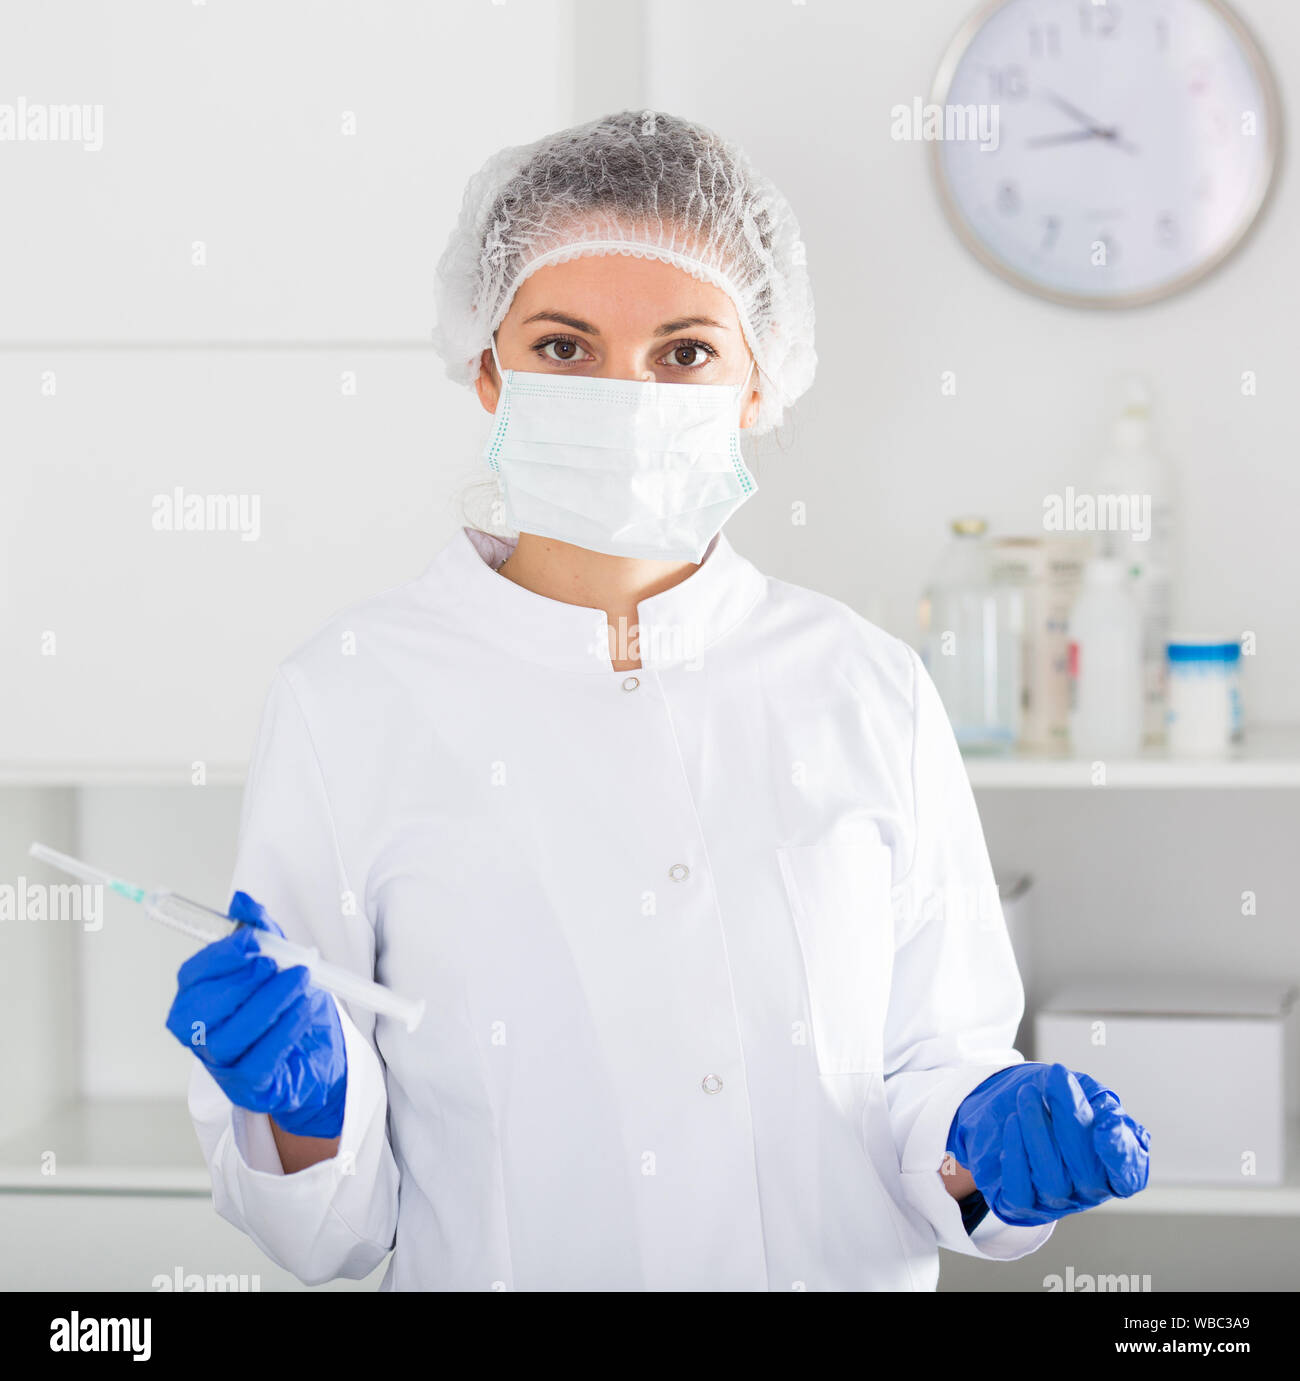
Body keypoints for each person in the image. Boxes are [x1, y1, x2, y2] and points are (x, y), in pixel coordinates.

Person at [169, 110, 1149, 1292]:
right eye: (566, 348)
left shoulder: (865, 687)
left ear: (757, 385)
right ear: (487, 370)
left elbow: (927, 1075)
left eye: (684, 352)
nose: (624, 396)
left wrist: (983, 1139)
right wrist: (306, 1114)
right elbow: (334, 1230)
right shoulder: (352, 695)